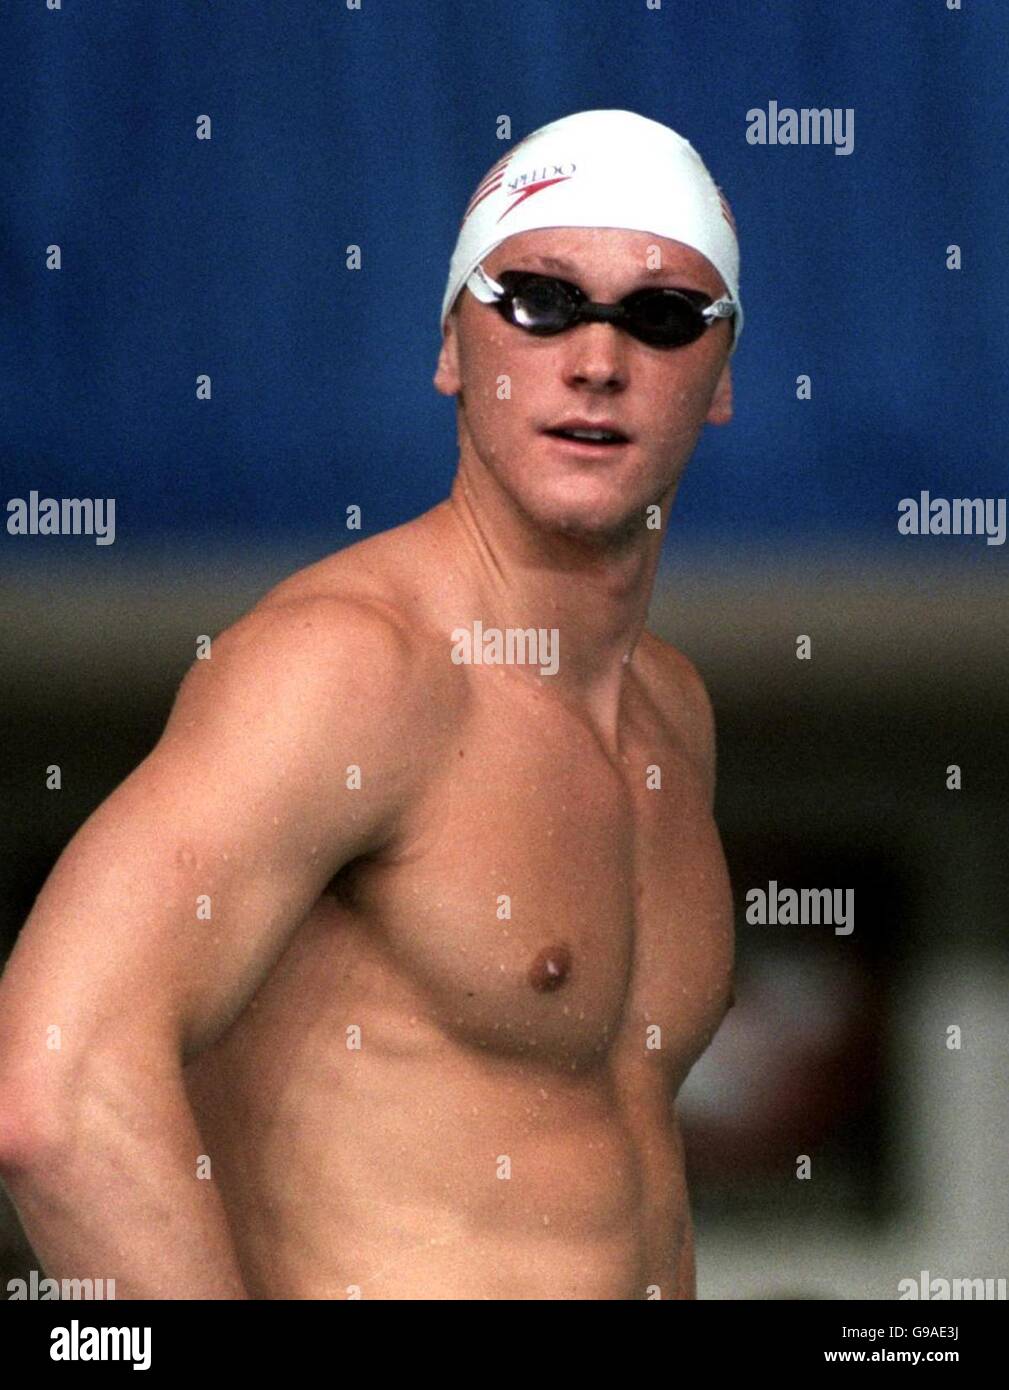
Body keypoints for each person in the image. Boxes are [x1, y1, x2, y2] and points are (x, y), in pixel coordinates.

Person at [0, 109, 742, 1300]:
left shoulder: (670, 712)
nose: (596, 360)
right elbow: (53, 1085)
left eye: (660, 318)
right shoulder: (350, 668)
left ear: (721, 379)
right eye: (539, 301)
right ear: (452, 347)